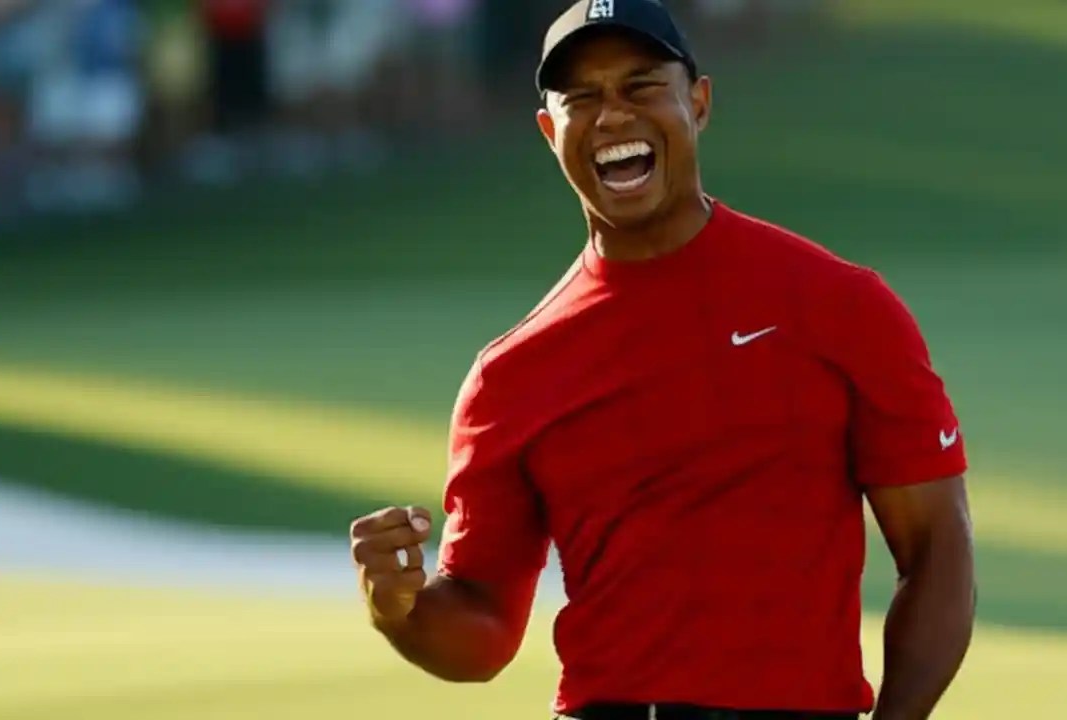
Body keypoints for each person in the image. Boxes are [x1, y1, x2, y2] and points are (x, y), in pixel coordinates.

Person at [348, 2, 976, 719]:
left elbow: (937, 550)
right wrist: (399, 608)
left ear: (698, 103)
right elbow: (483, 628)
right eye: (582, 97)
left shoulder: (839, 307)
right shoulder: (511, 375)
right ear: (550, 131)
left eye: (641, 86)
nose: (612, 115)